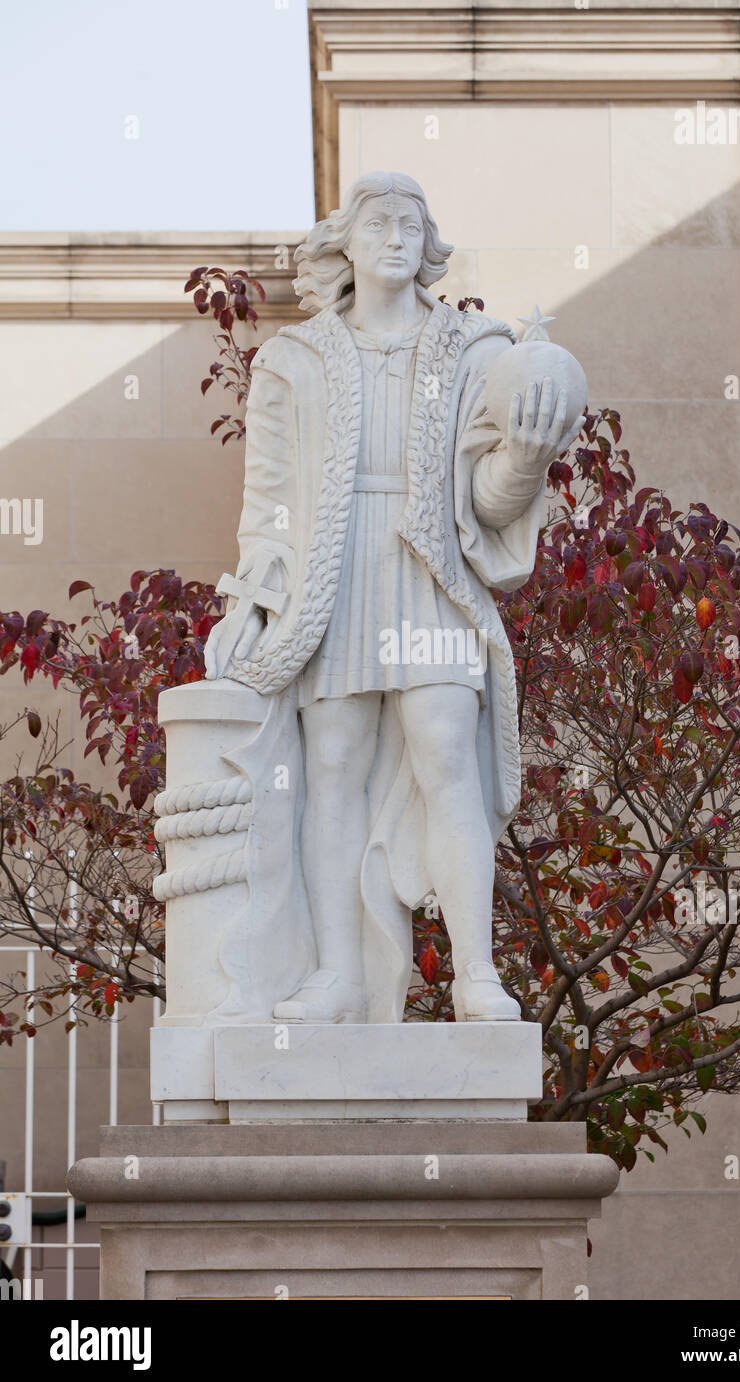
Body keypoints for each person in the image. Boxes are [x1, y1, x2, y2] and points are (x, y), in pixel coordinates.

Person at [205, 171, 580, 1024]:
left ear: (428, 243)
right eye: (379, 221)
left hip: (429, 567)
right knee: (330, 760)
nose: (398, 235)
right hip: (332, 576)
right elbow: (268, 497)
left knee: (446, 745)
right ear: (345, 240)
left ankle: (475, 975)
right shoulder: (292, 360)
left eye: (414, 222)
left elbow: (486, 503)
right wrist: (255, 597)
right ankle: (338, 973)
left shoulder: (477, 349)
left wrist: (524, 461)